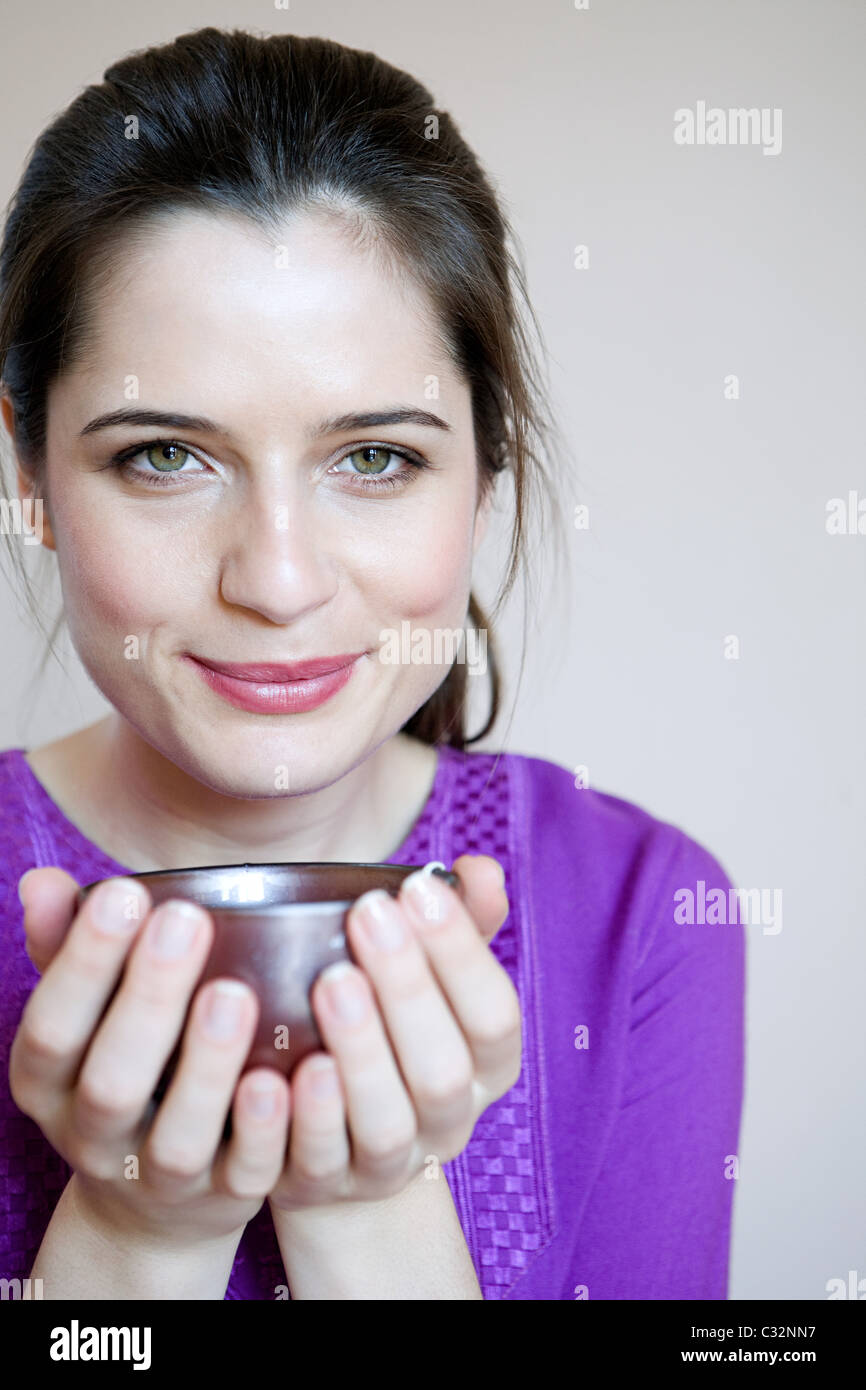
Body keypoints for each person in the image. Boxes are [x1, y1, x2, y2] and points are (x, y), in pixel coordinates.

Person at [0, 27, 744, 1300]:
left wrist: (365, 1208)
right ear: (30, 478)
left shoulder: (647, 912)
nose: (278, 580)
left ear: (487, 474)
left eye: (376, 458)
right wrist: (135, 1239)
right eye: (164, 457)